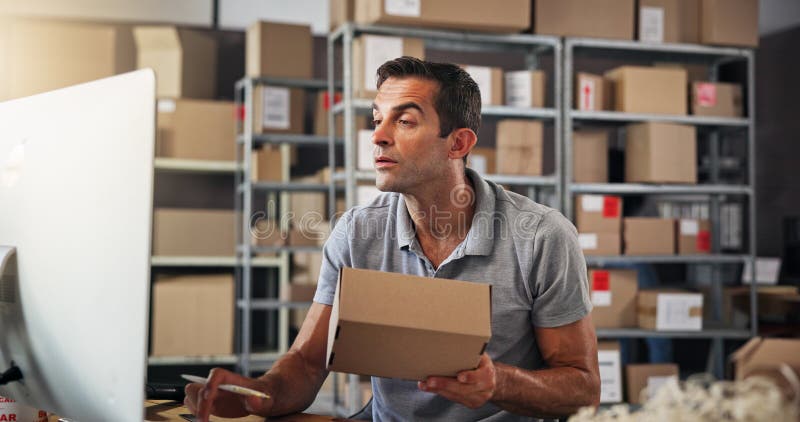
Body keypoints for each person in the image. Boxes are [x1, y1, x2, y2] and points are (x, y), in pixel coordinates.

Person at [185, 57, 600, 421]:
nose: (378, 136)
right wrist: (261, 394)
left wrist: (499, 384)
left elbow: (583, 388)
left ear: (458, 143)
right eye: (376, 118)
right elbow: (309, 363)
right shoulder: (356, 232)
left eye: (404, 120)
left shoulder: (542, 236)